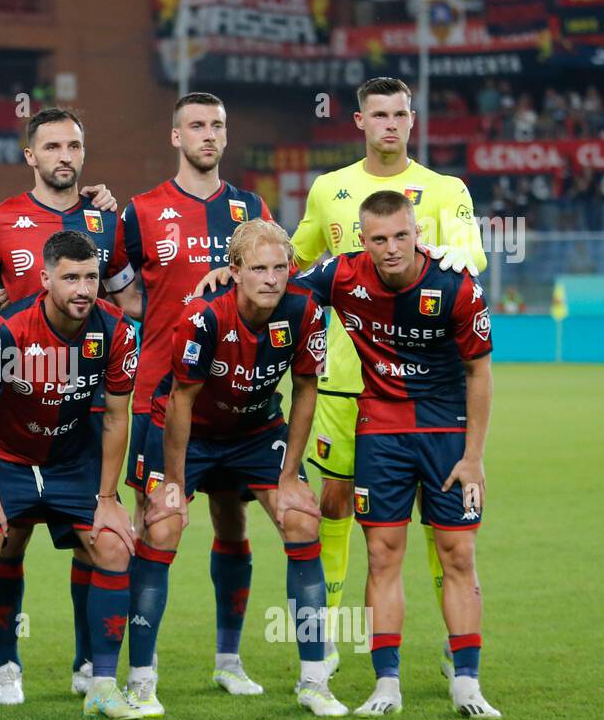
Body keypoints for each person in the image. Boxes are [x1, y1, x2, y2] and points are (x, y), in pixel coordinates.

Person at [201, 76, 486, 680]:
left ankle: (452, 645)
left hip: (426, 390)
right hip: (338, 380)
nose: (389, 123)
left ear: (413, 119)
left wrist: (467, 255)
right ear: (359, 121)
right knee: (330, 507)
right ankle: (323, 644)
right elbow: (294, 257)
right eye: (378, 114)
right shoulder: (331, 190)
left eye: (400, 114)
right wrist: (234, 271)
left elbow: (468, 252)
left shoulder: (445, 189)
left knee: (442, 525)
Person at [296, 190, 499, 719]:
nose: (391, 249)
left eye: (401, 236)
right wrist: (226, 275)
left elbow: (480, 372)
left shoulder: (456, 285)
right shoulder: (341, 275)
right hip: (380, 432)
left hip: (446, 434)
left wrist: (473, 457)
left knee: (458, 555)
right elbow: (276, 285)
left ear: (418, 234)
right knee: (383, 557)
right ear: (363, 239)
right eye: (379, 239)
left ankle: (468, 683)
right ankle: (386, 685)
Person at [0, 107, 130, 704]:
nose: (65, 155)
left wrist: (108, 497)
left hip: (73, 437)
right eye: (52, 144)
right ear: (30, 155)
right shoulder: (0, 222)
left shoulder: (107, 219)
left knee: (107, 540)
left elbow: (129, 291)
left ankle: (95, 671)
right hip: (12, 421)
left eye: (75, 145)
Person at [137, 219, 346, 717]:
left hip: (255, 430)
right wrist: (173, 483)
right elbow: (181, 401)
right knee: (162, 528)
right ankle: (142, 680)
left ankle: (309, 679)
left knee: (300, 519)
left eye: (280, 268)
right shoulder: (202, 317)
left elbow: (306, 390)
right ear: (234, 271)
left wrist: (292, 474)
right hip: (188, 431)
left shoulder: (304, 310)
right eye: (258, 268)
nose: (271, 278)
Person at [122, 92, 275, 699]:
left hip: (237, 403)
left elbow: (275, 277)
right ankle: (140, 672)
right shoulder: (142, 210)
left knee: (233, 522)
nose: (208, 135)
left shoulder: (250, 208)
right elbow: (109, 283)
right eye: (197, 126)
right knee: (156, 523)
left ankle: (229, 660)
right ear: (175, 136)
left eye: (217, 125)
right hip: (161, 394)